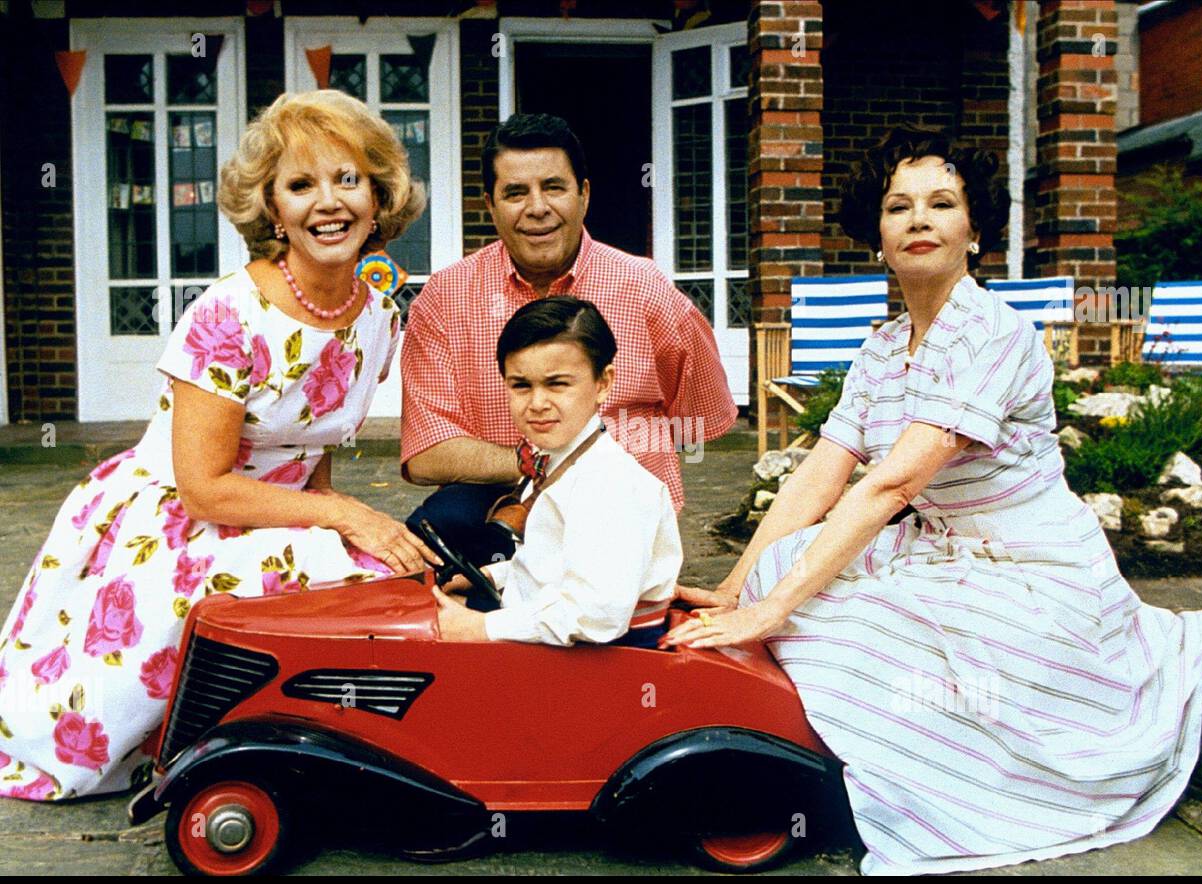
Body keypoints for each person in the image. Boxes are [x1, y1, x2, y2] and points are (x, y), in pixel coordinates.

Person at [666, 125, 1202, 876]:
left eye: (942, 203)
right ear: (879, 234)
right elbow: (823, 472)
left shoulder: (995, 333)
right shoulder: (884, 345)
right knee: (784, 570)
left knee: (810, 611)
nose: (919, 220)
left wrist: (770, 613)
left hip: (1033, 573)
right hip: (941, 552)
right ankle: (841, 743)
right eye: (900, 207)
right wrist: (736, 588)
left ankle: (961, 785)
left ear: (975, 232)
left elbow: (893, 484)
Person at [0, 89, 438, 801]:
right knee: (350, 560)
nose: (328, 203)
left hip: (278, 515)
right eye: (301, 185)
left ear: (380, 194)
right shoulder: (229, 313)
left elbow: (311, 451)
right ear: (272, 208)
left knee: (395, 576)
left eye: (347, 180)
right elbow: (203, 487)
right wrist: (345, 518)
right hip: (176, 524)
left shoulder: (378, 315)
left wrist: (335, 514)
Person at [400, 113, 736, 566]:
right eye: (515, 193)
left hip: (622, 526)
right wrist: (534, 462)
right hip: (489, 527)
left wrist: (604, 471)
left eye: (554, 187)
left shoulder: (647, 289)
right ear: (490, 205)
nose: (537, 207)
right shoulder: (445, 298)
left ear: (584, 195)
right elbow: (425, 454)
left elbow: (699, 421)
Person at [432, 296, 682, 648]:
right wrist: (495, 574)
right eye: (521, 385)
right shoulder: (559, 458)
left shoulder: (609, 485)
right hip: (557, 640)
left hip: (605, 660)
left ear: (603, 382)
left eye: (557, 384)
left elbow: (596, 614)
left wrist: (482, 627)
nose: (536, 403)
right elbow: (561, 561)